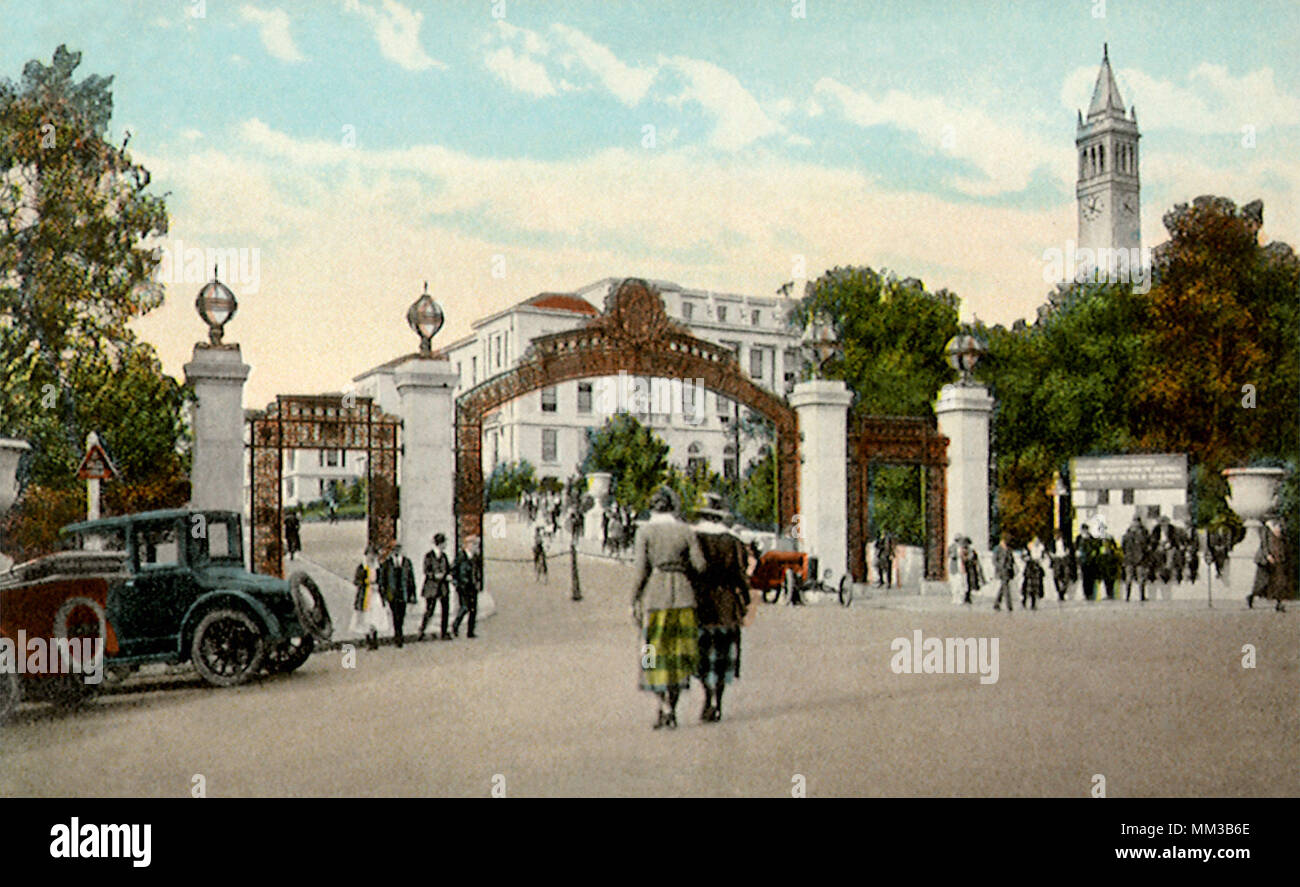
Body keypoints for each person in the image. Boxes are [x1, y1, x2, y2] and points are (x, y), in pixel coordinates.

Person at [631, 487, 706, 730]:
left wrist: (633, 598)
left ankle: (662, 707)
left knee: (652, 655)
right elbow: (701, 566)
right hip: (684, 597)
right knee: (678, 656)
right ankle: (672, 707)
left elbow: (641, 570)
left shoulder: (645, 531)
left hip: (656, 597)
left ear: (652, 507)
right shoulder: (685, 530)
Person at [690, 497, 750, 723]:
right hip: (727, 603)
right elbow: (741, 576)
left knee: (702, 656)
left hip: (702, 603)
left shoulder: (694, 539)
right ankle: (718, 702)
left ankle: (707, 696)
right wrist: (744, 602)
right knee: (724, 657)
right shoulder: (732, 541)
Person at [1248, 517, 1290, 612]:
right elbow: (1264, 544)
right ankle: (1251, 596)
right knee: (1263, 582)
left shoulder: (1281, 525)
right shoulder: (1265, 529)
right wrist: (1267, 555)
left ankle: (1279, 603)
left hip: (1279, 556)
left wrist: (1280, 534)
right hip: (1266, 559)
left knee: (1280, 581)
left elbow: (1285, 538)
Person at [380, 543, 417, 648]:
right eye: (394, 550)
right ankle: (398, 637)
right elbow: (383, 580)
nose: (396, 552)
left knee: (401, 615)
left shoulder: (406, 562)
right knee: (395, 615)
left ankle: (399, 634)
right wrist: (383, 595)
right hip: (392, 593)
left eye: (398, 550)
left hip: (403, 593)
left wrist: (412, 595)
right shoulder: (387, 563)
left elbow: (411, 579)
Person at [419, 533, 453, 641]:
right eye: (444, 543)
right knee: (429, 610)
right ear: (440, 543)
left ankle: (444, 632)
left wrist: (448, 575)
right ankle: (422, 630)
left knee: (445, 609)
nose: (445, 545)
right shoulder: (429, 556)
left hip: (443, 587)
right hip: (432, 587)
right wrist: (434, 575)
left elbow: (448, 569)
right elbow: (426, 570)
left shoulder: (444, 556)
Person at [349, 546, 383, 651]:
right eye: (370, 555)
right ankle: (368, 640)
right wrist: (365, 583)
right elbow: (356, 581)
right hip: (365, 595)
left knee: (375, 617)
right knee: (365, 618)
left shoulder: (378, 568)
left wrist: (378, 585)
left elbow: (383, 580)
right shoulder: (362, 567)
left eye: (374, 555)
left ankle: (375, 640)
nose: (372, 557)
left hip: (375, 595)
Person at [452, 535, 483, 637]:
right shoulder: (461, 556)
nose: (476, 547)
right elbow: (454, 570)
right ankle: (455, 625)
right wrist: (456, 582)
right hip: (463, 586)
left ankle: (470, 631)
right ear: (468, 545)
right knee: (465, 607)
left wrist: (478, 583)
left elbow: (478, 572)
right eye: (474, 544)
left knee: (473, 609)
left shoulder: (476, 557)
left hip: (472, 586)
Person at [1121, 513, 1148, 602]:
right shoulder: (1143, 534)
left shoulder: (1127, 534)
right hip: (1140, 558)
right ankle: (1141, 596)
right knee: (1141, 578)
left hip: (1129, 558)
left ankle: (1127, 597)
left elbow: (1123, 546)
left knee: (1129, 577)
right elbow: (1146, 546)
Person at [1075, 524, 1100, 601]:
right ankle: (1086, 593)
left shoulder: (1091, 538)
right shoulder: (1079, 538)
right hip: (1083, 561)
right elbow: (1076, 548)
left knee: (1091, 577)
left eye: (1086, 529)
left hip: (1091, 561)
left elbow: (1096, 547)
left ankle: (1091, 593)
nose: (1085, 531)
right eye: (1083, 529)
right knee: (1085, 577)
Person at [992, 534, 1016, 612]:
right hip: (1002, 571)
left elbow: (1012, 560)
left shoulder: (1009, 549)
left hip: (1008, 570)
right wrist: (1000, 566)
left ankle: (996, 603)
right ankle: (1009, 605)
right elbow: (994, 560)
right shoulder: (998, 549)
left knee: (1003, 587)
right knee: (1006, 588)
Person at [1021, 537, 1045, 610]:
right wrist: (1027, 559)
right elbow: (1023, 556)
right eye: (1035, 541)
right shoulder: (1028, 547)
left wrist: (1040, 560)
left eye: (1038, 541)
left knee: (1035, 586)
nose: (1037, 543)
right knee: (1028, 585)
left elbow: (1043, 557)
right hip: (1029, 567)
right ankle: (1024, 599)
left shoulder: (1041, 548)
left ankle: (1033, 604)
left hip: (1037, 567)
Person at [1050, 531, 1075, 602]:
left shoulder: (1065, 542)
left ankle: (1063, 591)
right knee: (1056, 576)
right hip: (1057, 559)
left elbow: (1069, 549)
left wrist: (1067, 553)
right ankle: (1059, 591)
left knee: (1066, 575)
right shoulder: (1052, 543)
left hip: (1064, 558)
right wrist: (1053, 556)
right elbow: (1049, 551)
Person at [961, 536, 984, 604]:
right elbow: (963, 560)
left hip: (971, 568)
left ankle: (968, 596)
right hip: (967, 568)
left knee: (970, 582)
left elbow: (976, 559)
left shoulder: (971, 550)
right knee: (967, 582)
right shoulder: (964, 551)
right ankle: (967, 597)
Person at [947, 534, 966, 604]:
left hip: (961, 567)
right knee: (954, 584)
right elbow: (949, 554)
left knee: (961, 584)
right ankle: (955, 598)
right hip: (954, 567)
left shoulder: (963, 547)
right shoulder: (952, 547)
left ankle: (960, 598)